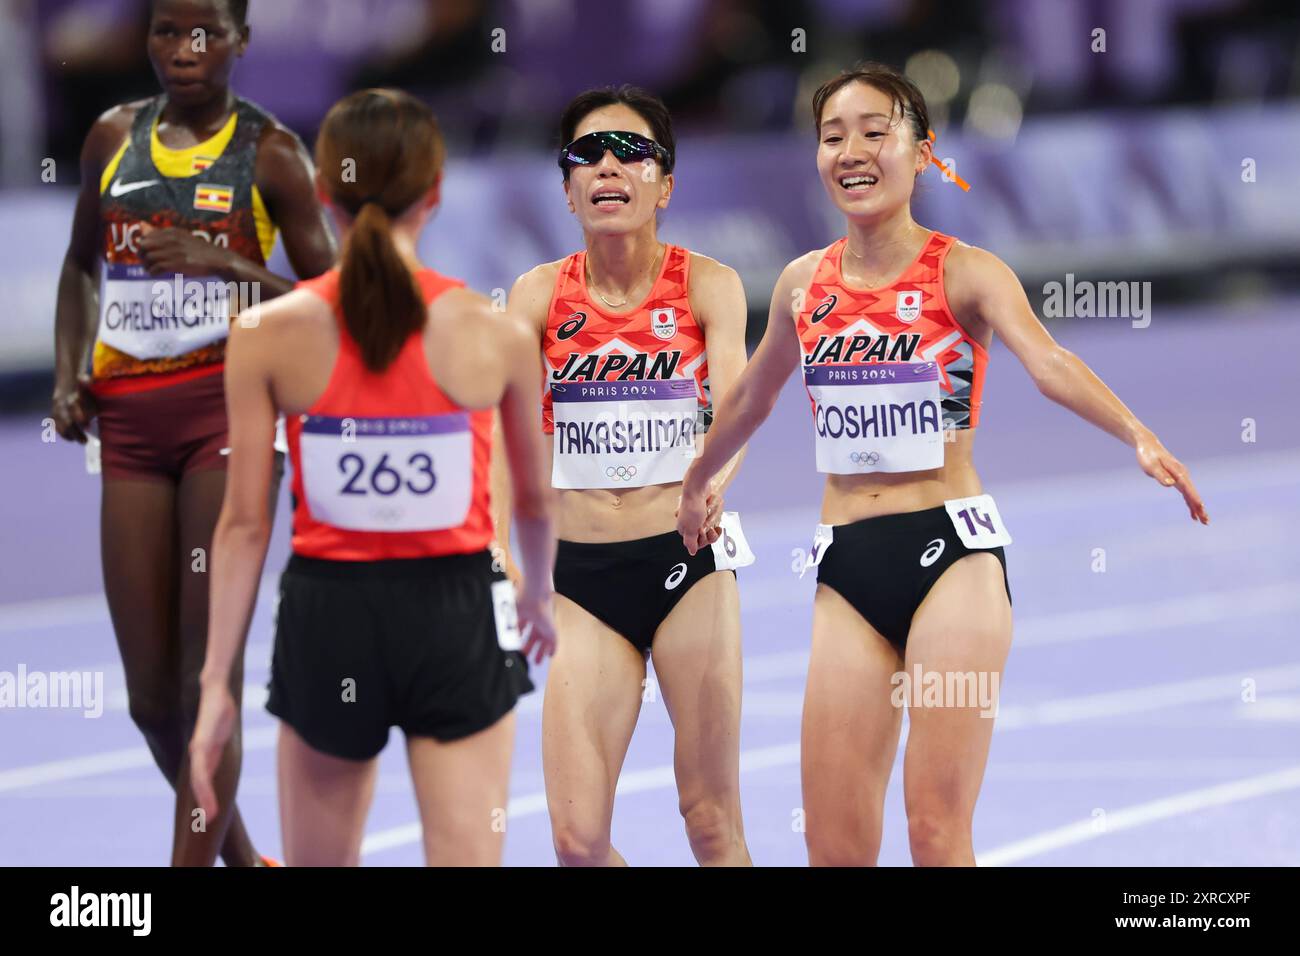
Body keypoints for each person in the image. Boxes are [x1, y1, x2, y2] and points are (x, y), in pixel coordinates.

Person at [676, 63, 1209, 867]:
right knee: (835, 848)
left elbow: (1050, 360)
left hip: (953, 558)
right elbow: (750, 399)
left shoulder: (965, 271)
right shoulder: (801, 285)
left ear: (922, 152)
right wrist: (700, 476)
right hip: (847, 565)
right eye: (831, 136)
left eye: (874, 131)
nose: (851, 150)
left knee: (934, 832)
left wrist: (1137, 434)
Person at [188, 88, 557, 867]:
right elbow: (532, 499)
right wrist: (535, 594)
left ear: (323, 192)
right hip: (459, 613)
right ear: (437, 192)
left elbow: (244, 524)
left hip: (330, 618)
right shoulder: (497, 334)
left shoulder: (263, 334)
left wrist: (216, 681)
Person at [49, 0, 337, 866]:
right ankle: (245, 862)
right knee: (151, 701)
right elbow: (77, 266)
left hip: (227, 417)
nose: (183, 50)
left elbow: (337, 302)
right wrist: (68, 375)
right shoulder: (110, 138)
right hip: (129, 425)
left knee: (204, 682)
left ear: (240, 41)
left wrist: (234, 265)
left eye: (204, 32)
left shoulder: (273, 155)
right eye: (166, 32)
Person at [496, 86, 754, 866]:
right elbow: (502, 427)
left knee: (709, 820)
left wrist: (707, 485)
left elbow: (736, 410)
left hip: (686, 567)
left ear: (665, 185)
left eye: (632, 153)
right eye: (587, 155)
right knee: (577, 842)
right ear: (568, 187)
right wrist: (503, 553)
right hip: (579, 580)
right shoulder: (538, 295)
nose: (608, 166)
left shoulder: (710, 285)